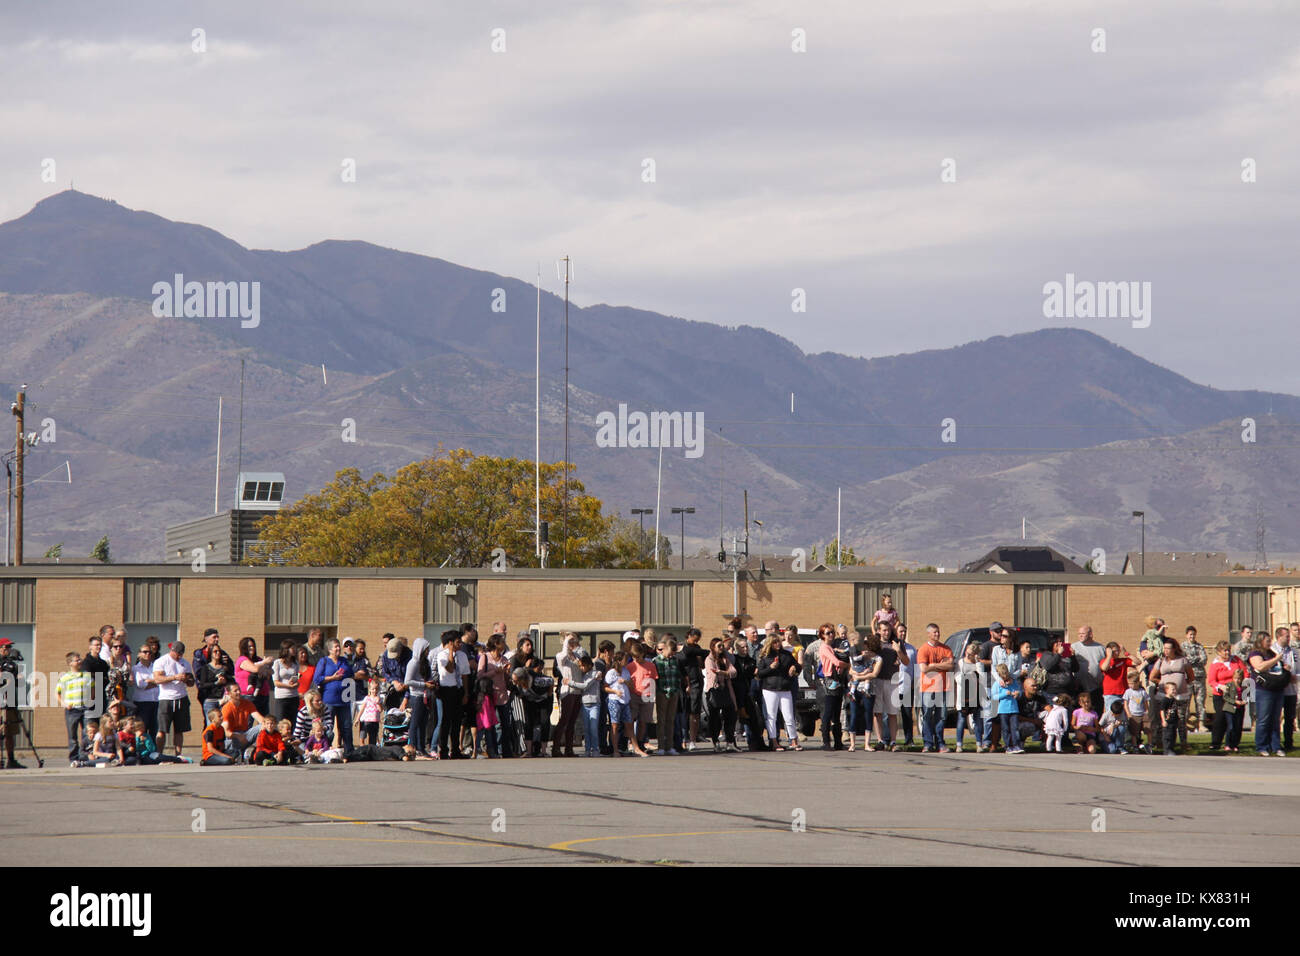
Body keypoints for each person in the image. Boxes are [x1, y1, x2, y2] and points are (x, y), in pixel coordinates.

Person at [1248, 631, 1290, 757]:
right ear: (1260, 641)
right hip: (1263, 690)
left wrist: (1285, 667)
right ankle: (1262, 746)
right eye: (1267, 641)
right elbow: (1260, 666)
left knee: (1275, 719)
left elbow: (1279, 665)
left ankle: (1276, 746)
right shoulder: (1255, 653)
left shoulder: (1271, 653)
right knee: (1264, 719)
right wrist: (1276, 659)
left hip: (1277, 689)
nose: (1269, 643)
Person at [757, 631, 801, 751]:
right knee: (771, 717)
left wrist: (795, 667)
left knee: (789, 716)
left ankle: (793, 740)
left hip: (785, 688)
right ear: (770, 644)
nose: (777, 644)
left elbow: (798, 665)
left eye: (779, 642)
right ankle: (774, 741)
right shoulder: (765, 657)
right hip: (770, 689)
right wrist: (770, 668)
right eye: (775, 642)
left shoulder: (786, 654)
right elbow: (760, 673)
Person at [1153, 637, 1195, 754]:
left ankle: (1183, 743)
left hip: (1180, 695)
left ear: (1174, 649)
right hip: (1164, 695)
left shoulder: (1183, 660)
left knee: (1181, 719)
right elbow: (1152, 676)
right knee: (1163, 718)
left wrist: (1181, 684)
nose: (1166, 650)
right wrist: (1162, 683)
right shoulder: (1161, 661)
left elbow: (1191, 676)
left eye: (1168, 648)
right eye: (1164, 648)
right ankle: (1161, 743)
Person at [314, 638, 355, 755]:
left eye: (338, 646)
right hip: (329, 700)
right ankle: (325, 751)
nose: (338, 649)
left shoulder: (344, 660)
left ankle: (349, 752)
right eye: (335, 647)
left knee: (346, 727)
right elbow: (317, 679)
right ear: (329, 649)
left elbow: (351, 674)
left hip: (344, 699)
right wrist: (332, 677)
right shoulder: (324, 661)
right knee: (327, 728)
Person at [916, 623, 953, 754]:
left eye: (938, 632)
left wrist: (933, 665)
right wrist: (940, 665)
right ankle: (927, 743)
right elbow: (923, 668)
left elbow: (950, 666)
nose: (937, 634)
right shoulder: (923, 649)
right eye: (934, 632)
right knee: (927, 716)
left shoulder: (946, 649)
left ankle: (940, 744)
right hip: (927, 688)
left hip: (943, 687)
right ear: (928, 634)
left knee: (941, 716)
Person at [154, 641, 194, 758]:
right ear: (172, 651)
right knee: (162, 729)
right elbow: (157, 679)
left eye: (181, 654)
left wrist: (186, 679)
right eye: (178, 654)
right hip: (166, 698)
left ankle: (178, 754)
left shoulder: (185, 663)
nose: (179, 656)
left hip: (181, 697)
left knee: (179, 729)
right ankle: (160, 753)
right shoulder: (162, 661)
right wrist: (174, 677)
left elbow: (191, 682)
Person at [435, 630, 470, 759]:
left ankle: (455, 750)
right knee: (446, 721)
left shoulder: (462, 655)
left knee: (457, 721)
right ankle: (443, 749)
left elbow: (465, 674)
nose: (460, 644)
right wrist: (450, 652)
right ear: (450, 643)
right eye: (457, 642)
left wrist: (466, 693)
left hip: (458, 689)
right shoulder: (441, 655)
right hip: (446, 689)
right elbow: (449, 669)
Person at [605, 651, 646, 757]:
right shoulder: (611, 672)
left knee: (629, 724)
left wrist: (626, 682)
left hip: (625, 700)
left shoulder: (626, 671)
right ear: (619, 660)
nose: (626, 661)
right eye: (624, 659)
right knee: (615, 725)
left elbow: (631, 686)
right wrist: (615, 691)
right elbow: (605, 687)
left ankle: (636, 748)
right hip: (614, 700)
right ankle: (615, 750)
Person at [865, 627, 900, 750]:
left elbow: (905, 661)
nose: (886, 632)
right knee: (877, 712)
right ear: (879, 631)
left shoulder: (895, 644)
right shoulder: (876, 645)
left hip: (892, 680)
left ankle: (893, 741)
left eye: (888, 630)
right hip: (877, 680)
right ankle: (880, 741)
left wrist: (899, 651)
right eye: (884, 630)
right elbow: (866, 656)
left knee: (892, 712)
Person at [814, 624, 848, 752]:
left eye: (832, 632)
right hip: (830, 680)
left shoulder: (832, 647)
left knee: (837, 713)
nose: (831, 635)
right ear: (822, 635)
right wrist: (848, 665)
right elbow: (836, 662)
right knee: (828, 712)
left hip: (838, 679)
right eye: (828, 633)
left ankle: (838, 742)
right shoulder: (824, 648)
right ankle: (826, 742)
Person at [1207, 641, 1245, 753]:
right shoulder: (1215, 664)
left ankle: (1234, 743)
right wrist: (1220, 686)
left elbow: (1245, 673)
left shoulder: (1236, 660)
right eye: (1224, 650)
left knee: (1237, 720)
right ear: (1219, 652)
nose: (1227, 652)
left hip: (1236, 694)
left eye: (1228, 650)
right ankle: (1216, 743)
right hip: (1221, 695)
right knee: (1220, 718)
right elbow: (1211, 681)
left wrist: (1244, 690)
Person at [554, 632, 586, 758]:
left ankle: (569, 749)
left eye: (574, 641)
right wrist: (567, 641)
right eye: (570, 642)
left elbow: (584, 666)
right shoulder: (561, 656)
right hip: (567, 691)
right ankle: (556, 748)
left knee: (572, 721)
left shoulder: (577, 655)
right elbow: (562, 656)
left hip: (578, 690)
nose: (573, 644)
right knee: (564, 720)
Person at [704, 637, 738, 752]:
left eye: (722, 646)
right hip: (713, 691)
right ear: (713, 647)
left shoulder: (725, 658)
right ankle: (716, 742)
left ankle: (730, 742)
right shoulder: (709, 659)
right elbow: (713, 674)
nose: (721, 648)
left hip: (726, 690)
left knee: (730, 715)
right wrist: (724, 674)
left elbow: (733, 672)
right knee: (714, 718)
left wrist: (723, 672)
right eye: (719, 646)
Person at [403, 637, 435, 758]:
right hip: (416, 696)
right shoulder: (413, 662)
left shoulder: (425, 662)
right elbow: (408, 681)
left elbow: (428, 676)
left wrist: (431, 683)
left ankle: (421, 748)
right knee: (415, 723)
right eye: (426, 649)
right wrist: (424, 684)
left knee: (423, 723)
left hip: (426, 695)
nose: (428, 651)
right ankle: (412, 747)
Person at [678, 627, 708, 750]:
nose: (696, 643)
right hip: (685, 682)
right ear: (688, 636)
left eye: (698, 641)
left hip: (697, 682)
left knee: (694, 712)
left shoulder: (697, 649)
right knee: (683, 712)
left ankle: (692, 739)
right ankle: (682, 739)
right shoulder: (684, 649)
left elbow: (702, 661)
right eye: (694, 640)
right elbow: (689, 651)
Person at [653, 637, 683, 755]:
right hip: (662, 692)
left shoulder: (675, 660)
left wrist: (677, 689)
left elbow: (678, 676)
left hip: (674, 692)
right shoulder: (656, 661)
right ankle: (661, 746)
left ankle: (670, 746)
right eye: (670, 652)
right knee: (661, 720)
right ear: (664, 649)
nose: (671, 655)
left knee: (671, 720)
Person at [221, 685, 266, 763]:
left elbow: (260, 718)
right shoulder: (226, 708)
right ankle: (238, 754)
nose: (238, 692)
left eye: (239, 690)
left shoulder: (247, 703)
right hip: (233, 737)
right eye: (235, 691)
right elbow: (226, 732)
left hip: (245, 734)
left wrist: (265, 725)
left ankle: (252, 749)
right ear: (229, 693)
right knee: (229, 742)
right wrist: (238, 736)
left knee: (264, 726)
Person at [196, 637, 235, 726]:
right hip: (210, 700)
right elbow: (202, 685)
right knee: (211, 726)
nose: (218, 653)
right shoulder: (205, 668)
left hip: (223, 700)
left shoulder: (224, 668)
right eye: (215, 651)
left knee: (225, 724)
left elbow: (232, 678)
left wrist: (225, 680)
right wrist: (216, 683)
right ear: (211, 653)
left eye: (219, 651)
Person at [954, 640, 984, 752]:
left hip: (976, 696)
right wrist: (970, 679)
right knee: (961, 720)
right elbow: (957, 677)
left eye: (971, 654)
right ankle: (959, 745)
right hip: (963, 696)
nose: (968, 655)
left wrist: (977, 663)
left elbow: (982, 677)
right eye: (967, 652)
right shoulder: (960, 663)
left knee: (977, 720)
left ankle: (979, 744)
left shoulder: (977, 664)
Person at [1071, 625, 1106, 715]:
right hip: (1080, 687)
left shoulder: (1100, 648)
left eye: (1083, 633)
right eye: (1079, 634)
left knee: (1096, 712)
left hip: (1096, 687)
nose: (1080, 636)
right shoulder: (1073, 647)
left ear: (1090, 634)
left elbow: (1105, 666)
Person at [130, 644, 162, 744]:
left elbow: (161, 682)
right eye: (144, 652)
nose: (147, 654)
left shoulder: (156, 666)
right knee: (142, 728)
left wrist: (150, 681)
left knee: (154, 728)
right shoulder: (136, 668)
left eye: (149, 652)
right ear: (139, 654)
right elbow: (141, 685)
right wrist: (155, 682)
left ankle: (153, 751)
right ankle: (142, 751)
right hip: (142, 702)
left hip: (156, 701)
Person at [1274, 626, 1298, 751]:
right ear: (1279, 636)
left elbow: (1297, 668)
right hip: (1277, 690)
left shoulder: (1293, 651)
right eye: (1286, 636)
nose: (1289, 638)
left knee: (1290, 718)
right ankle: (1275, 743)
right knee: (1276, 717)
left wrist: (1295, 677)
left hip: (1291, 690)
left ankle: (1289, 743)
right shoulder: (1272, 650)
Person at [991, 664, 1023, 754]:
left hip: (1014, 709)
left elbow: (1019, 691)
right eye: (1003, 676)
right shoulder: (997, 684)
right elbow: (994, 696)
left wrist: (1018, 693)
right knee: (1005, 729)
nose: (1005, 678)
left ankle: (1016, 745)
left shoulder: (1013, 682)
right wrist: (1005, 693)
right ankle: (1008, 746)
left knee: (1015, 728)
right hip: (1003, 710)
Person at [270, 639, 300, 724]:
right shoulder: (277, 663)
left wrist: (296, 683)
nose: (294, 650)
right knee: (281, 722)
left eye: (295, 648)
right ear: (286, 649)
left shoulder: (296, 663)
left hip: (294, 696)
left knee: (293, 723)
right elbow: (276, 682)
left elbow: (297, 676)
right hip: (281, 697)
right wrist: (289, 686)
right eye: (292, 648)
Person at [1184, 626, 1208, 732]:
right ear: (1186, 635)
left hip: (1199, 678)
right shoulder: (1182, 647)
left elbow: (1204, 659)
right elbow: (1184, 660)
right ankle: (1185, 724)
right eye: (1190, 634)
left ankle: (1201, 724)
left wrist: (1192, 660)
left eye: (1193, 634)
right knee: (1185, 702)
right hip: (1187, 678)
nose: (1192, 636)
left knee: (1200, 702)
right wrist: (1196, 659)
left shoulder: (1199, 646)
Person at [1099, 642, 1133, 715]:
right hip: (1111, 694)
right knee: (1111, 715)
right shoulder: (1104, 661)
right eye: (1114, 651)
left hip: (1123, 693)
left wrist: (1126, 653)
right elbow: (1104, 668)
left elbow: (1137, 662)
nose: (1117, 653)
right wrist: (1109, 656)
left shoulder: (1123, 661)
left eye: (1118, 650)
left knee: (1123, 716)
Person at [380, 634, 410, 710]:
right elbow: (384, 672)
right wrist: (393, 681)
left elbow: (412, 679)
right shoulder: (386, 655)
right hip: (393, 692)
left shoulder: (410, 657)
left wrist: (405, 701)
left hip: (408, 692)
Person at [1123, 673, 1149, 753]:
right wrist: (1128, 714)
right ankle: (1135, 746)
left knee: (1144, 729)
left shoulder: (1142, 692)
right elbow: (1125, 704)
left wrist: (1147, 711)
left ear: (1138, 682)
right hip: (1133, 714)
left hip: (1141, 713)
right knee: (1134, 732)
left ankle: (1145, 745)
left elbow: (1145, 703)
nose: (1130, 685)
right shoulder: (1128, 692)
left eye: (1132, 683)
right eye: (1129, 683)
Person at [357, 678, 382, 747]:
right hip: (367, 720)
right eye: (373, 689)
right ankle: (362, 744)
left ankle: (371, 748)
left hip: (375, 721)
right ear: (370, 689)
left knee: (373, 737)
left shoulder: (379, 699)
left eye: (376, 689)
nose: (375, 691)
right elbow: (362, 709)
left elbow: (380, 710)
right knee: (363, 732)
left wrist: (378, 703)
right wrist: (358, 718)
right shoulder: (367, 698)